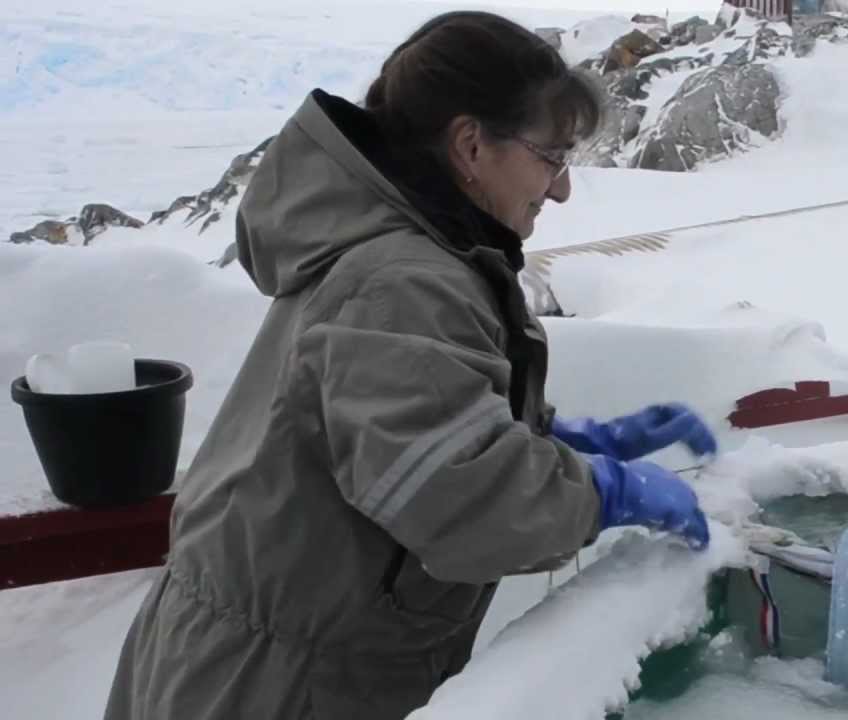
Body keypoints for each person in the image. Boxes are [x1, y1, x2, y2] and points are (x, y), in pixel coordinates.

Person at [104, 11, 718, 720]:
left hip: (275, 659)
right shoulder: (401, 279)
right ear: (470, 144)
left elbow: (404, 435)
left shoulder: (401, 251)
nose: (561, 190)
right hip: (276, 686)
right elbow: (456, 496)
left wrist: (572, 447)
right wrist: (605, 491)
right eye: (550, 157)